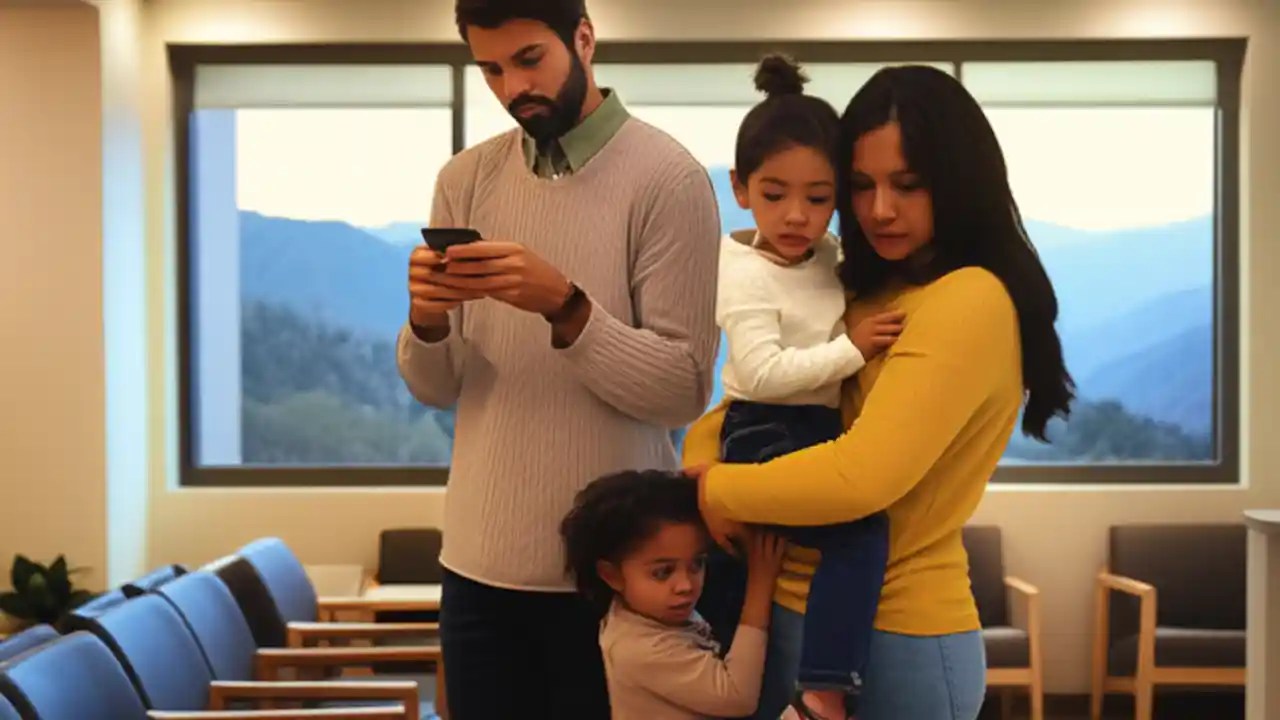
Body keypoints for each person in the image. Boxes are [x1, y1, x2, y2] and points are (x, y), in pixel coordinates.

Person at [684, 64, 1075, 720]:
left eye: (908, 185)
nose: (880, 209)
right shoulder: (865, 288)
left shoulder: (967, 299)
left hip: (895, 636)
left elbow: (858, 477)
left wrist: (707, 490)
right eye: (861, 186)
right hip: (783, 609)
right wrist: (702, 456)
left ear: (959, 182)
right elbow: (754, 397)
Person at [397, 0, 721, 716]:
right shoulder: (465, 178)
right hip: (479, 571)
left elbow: (683, 389)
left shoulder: (669, 179)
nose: (512, 88)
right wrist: (425, 319)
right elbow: (436, 387)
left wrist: (567, 308)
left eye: (529, 60)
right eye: (491, 69)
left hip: (619, 579)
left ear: (583, 39)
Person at [698, 54, 905, 720]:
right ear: (740, 187)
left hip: (816, 428)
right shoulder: (744, 272)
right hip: (764, 426)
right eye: (774, 193)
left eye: (818, 199)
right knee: (859, 532)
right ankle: (821, 694)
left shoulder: (830, 256)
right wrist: (852, 351)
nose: (796, 216)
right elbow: (759, 373)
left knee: (741, 576)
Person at [560, 469, 787, 720]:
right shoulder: (640, 648)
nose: (685, 585)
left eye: (697, 564)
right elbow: (736, 696)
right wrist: (761, 583)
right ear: (612, 576)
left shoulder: (648, 611)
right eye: (663, 572)